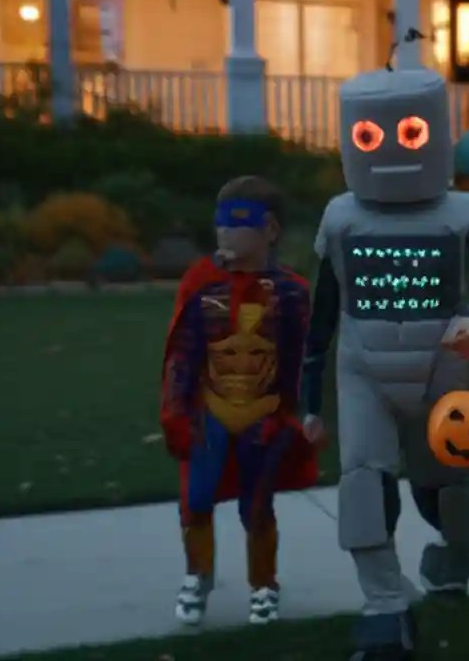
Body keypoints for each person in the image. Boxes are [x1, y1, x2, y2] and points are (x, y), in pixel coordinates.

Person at [302, 64, 469, 660]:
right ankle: (384, 603)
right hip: (364, 368)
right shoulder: (341, 218)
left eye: (411, 133)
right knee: (363, 482)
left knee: (447, 486)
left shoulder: (464, 212)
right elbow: (323, 313)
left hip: (442, 368)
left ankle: (453, 557)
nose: (390, 147)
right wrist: (311, 400)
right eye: (369, 136)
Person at [159, 175, 319, 627]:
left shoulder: (290, 291)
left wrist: (303, 412)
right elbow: (182, 350)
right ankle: (198, 575)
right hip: (208, 412)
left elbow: (305, 357)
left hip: (265, 415)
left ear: (269, 230)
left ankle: (264, 584)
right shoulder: (200, 282)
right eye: (221, 224)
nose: (226, 234)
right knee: (197, 497)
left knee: (257, 503)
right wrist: (175, 407)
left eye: (239, 224)